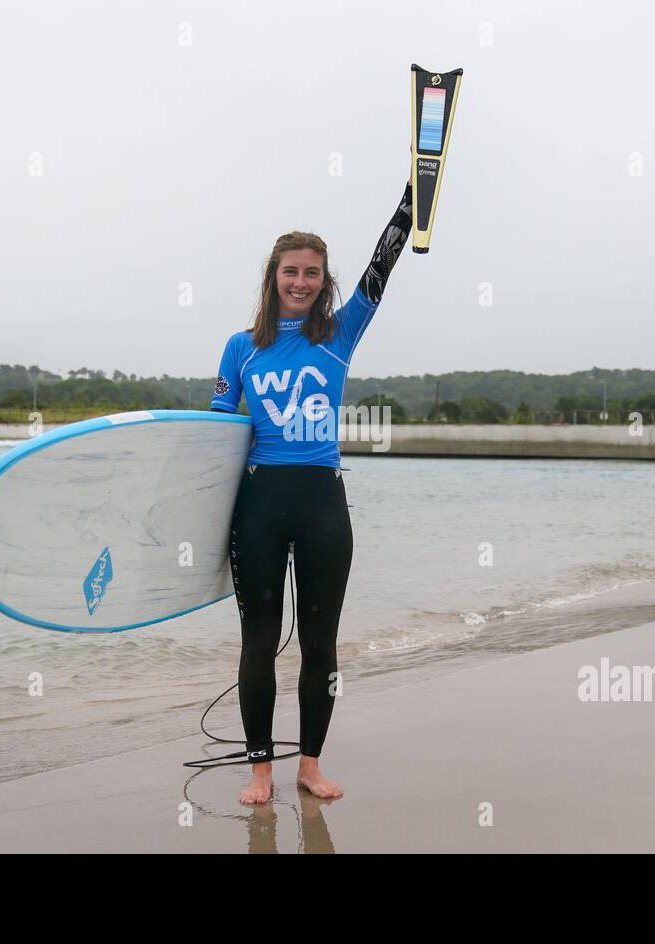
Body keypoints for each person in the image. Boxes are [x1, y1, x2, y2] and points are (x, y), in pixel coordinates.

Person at [210, 180, 413, 804]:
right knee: (259, 641)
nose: (301, 281)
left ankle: (310, 765)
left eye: (313, 274)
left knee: (321, 644)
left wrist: (412, 197)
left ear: (325, 282)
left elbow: (382, 267)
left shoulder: (340, 334)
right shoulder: (241, 347)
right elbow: (216, 438)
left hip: (324, 503)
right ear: (273, 277)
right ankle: (261, 769)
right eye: (291, 271)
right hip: (259, 508)